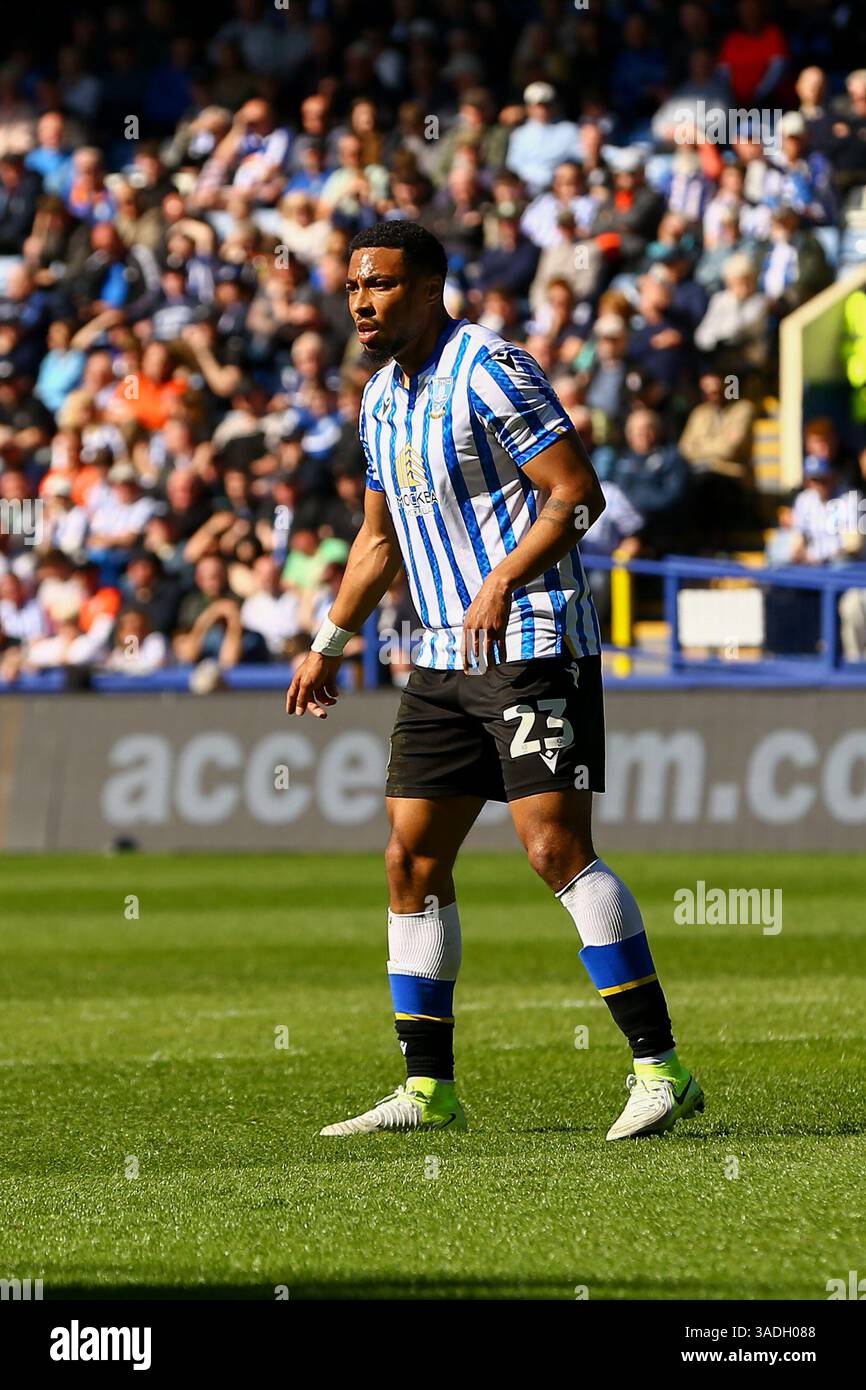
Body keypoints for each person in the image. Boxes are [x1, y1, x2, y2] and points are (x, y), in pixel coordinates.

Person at [286, 221, 703, 1142]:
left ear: (432, 285)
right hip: (439, 658)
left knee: (553, 848)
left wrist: (503, 577)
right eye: (354, 284)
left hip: (531, 640)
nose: (361, 299)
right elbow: (378, 540)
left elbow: (576, 492)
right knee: (410, 860)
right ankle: (430, 1092)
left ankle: (660, 1067)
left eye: (382, 284)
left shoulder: (492, 368)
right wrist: (328, 636)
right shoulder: (380, 399)